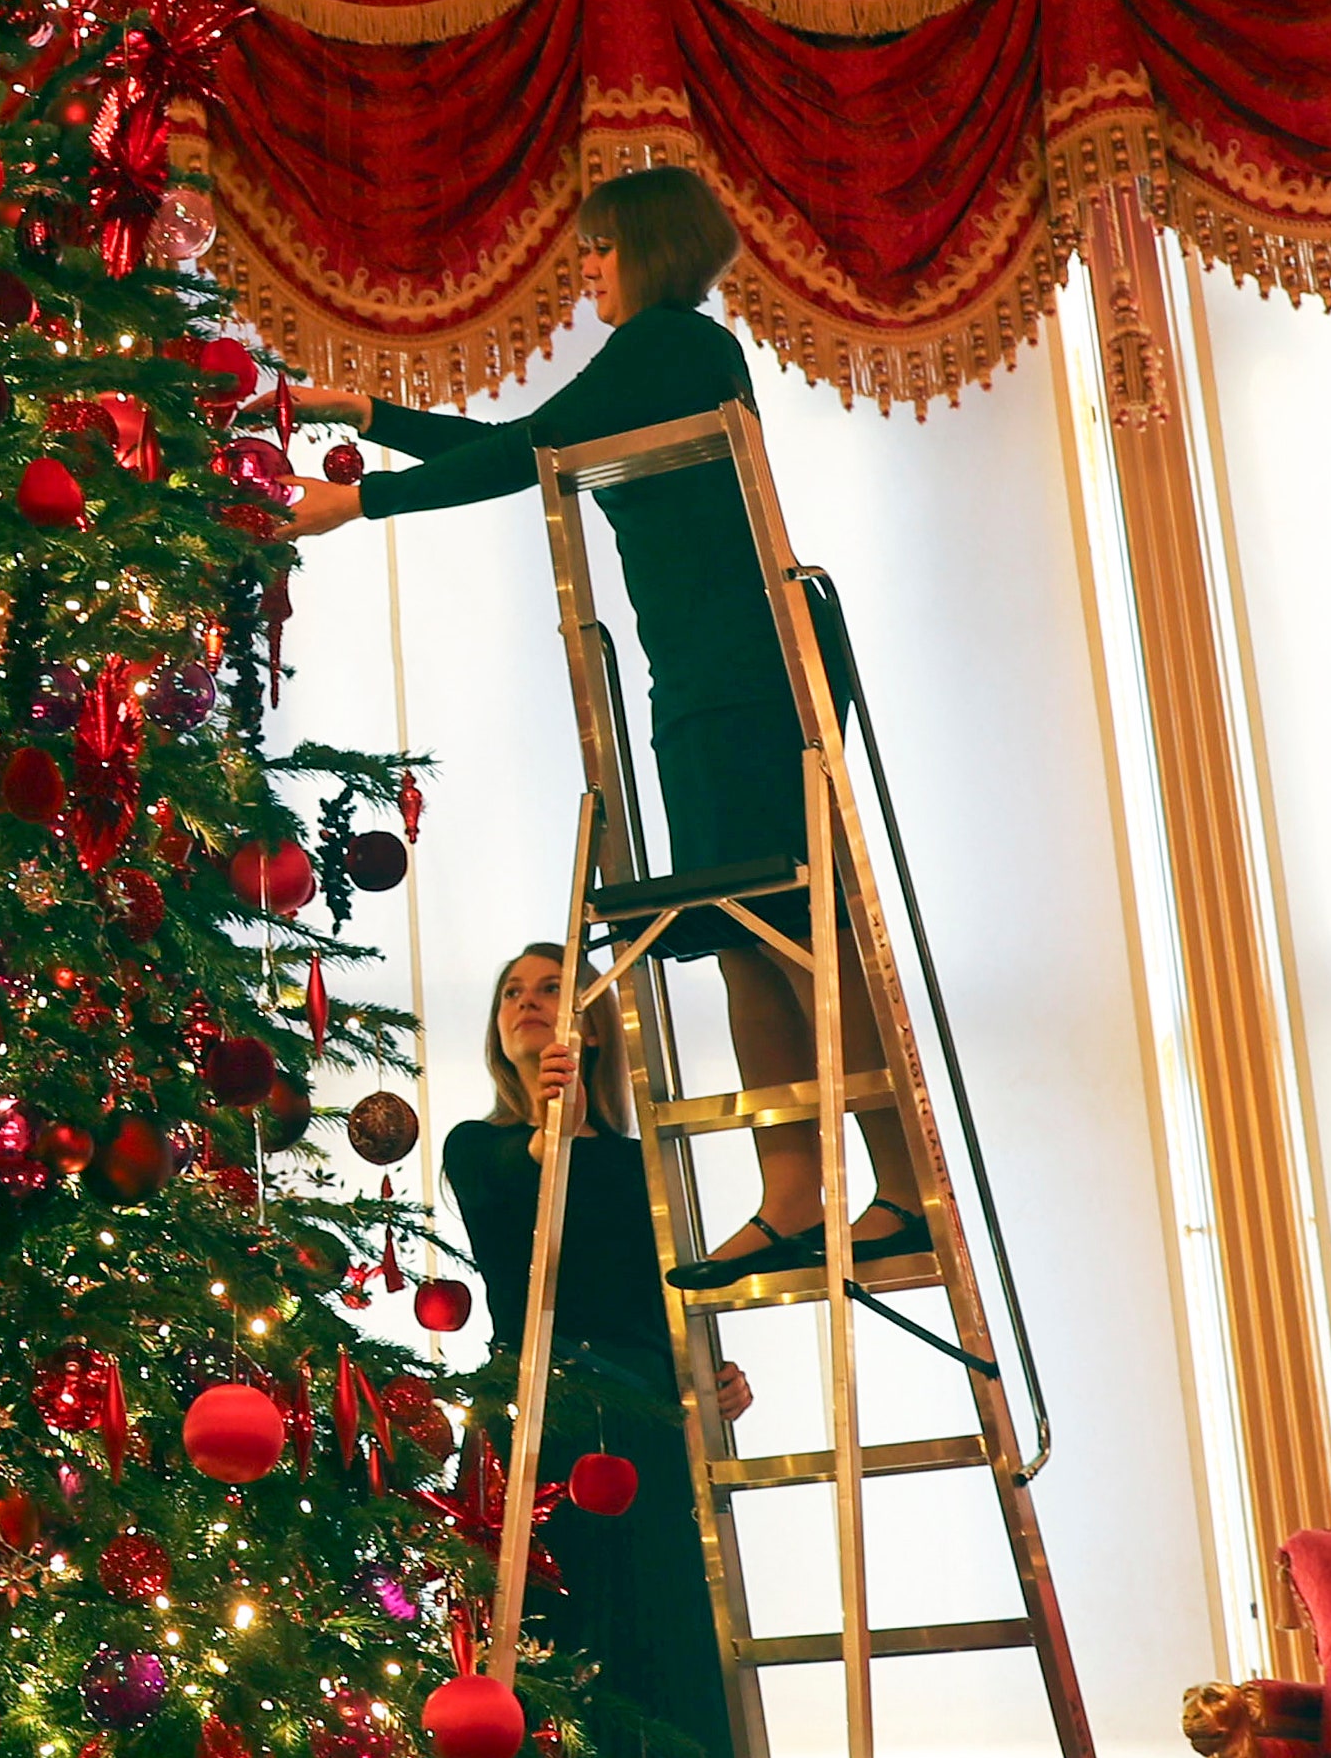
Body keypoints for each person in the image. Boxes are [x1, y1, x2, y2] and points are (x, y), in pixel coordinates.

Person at [293, 167, 914, 1270]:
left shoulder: (673, 343)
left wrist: (362, 500)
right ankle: (794, 1195)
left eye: (597, 249)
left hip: (745, 675)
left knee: (799, 936)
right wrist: (374, 420)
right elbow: (535, 436)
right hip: (696, 680)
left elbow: (526, 450)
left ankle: (901, 1188)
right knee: (736, 939)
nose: (585, 269)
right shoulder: (655, 359)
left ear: (649, 248)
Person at [442, 941, 761, 1758]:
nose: (531, 1006)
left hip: (647, 1436)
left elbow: (662, 1294)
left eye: (555, 993)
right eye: (515, 994)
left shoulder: (649, 1161)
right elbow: (536, 1255)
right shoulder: (485, 1148)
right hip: (549, 1428)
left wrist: (708, 1370)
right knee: (562, 1712)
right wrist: (557, 1121)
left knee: (648, 1714)